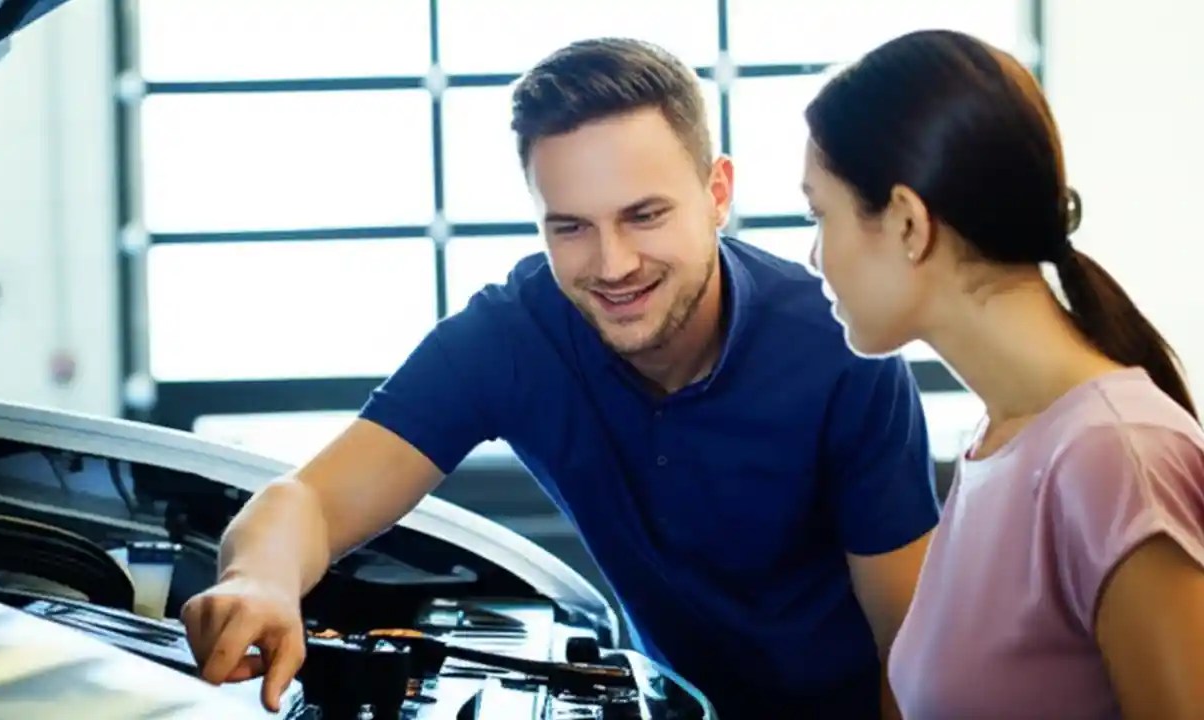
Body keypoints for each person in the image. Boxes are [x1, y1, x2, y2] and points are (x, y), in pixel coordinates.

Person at [181, 37, 939, 719]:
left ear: (717, 194)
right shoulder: (515, 334)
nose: (611, 266)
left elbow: (908, 653)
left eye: (644, 215)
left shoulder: (841, 349)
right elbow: (308, 499)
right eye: (569, 227)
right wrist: (261, 581)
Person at [800, 28, 1204, 719]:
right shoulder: (1001, 438)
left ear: (905, 223)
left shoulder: (1115, 455)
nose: (812, 257)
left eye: (821, 215)